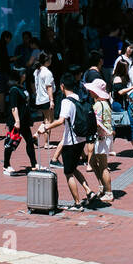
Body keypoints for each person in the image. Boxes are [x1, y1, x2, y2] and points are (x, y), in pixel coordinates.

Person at [38, 74, 94, 210]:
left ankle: (77, 203)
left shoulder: (66, 102)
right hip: (81, 139)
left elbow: (61, 120)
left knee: (68, 173)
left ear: (62, 86)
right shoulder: (78, 98)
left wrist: (46, 127)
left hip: (71, 142)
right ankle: (88, 191)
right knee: (73, 168)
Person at [2, 66, 40, 175]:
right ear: (17, 76)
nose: (25, 75)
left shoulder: (22, 87)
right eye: (23, 74)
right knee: (11, 142)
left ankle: (34, 164)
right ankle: (6, 165)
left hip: (24, 120)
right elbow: (14, 107)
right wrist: (17, 121)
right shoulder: (14, 90)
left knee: (29, 141)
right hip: (16, 121)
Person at [85, 78, 115, 203]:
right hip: (105, 137)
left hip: (102, 137)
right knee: (93, 161)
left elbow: (97, 123)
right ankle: (103, 186)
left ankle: (108, 193)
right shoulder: (106, 103)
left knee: (103, 166)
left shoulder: (98, 104)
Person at [32, 53, 56, 144]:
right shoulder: (47, 72)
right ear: (46, 61)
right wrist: (51, 100)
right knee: (48, 121)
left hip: (40, 99)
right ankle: (46, 143)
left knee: (47, 119)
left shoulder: (37, 71)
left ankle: (36, 134)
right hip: (46, 98)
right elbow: (48, 87)